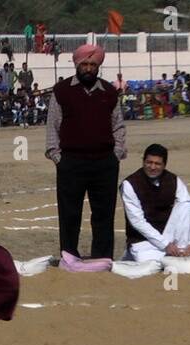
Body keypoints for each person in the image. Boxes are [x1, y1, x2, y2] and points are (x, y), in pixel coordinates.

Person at [45, 44, 127, 260]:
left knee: (103, 214)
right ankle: (69, 255)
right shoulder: (62, 91)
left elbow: (118, 126)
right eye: (85, 64)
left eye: (93, 64)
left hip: (104, 163)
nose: (89, 68)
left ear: (98, 66)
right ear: (77, 65)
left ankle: (102, 257)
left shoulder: (109, 93)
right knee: (69, 213)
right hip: (71, 163)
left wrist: (116, 154)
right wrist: (57, 157)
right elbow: (53, 124)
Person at [120, 144, 190, 262]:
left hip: (169, 236)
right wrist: (165, 245)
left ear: (164, 165)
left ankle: (182, 251)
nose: (152, 167)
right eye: (149, 162)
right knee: (151, 264)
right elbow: (137, 221)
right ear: (143, 161)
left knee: (186, 204)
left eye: (157, 164)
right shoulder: (129, 184)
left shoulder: (174, 180)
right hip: (142, 241)